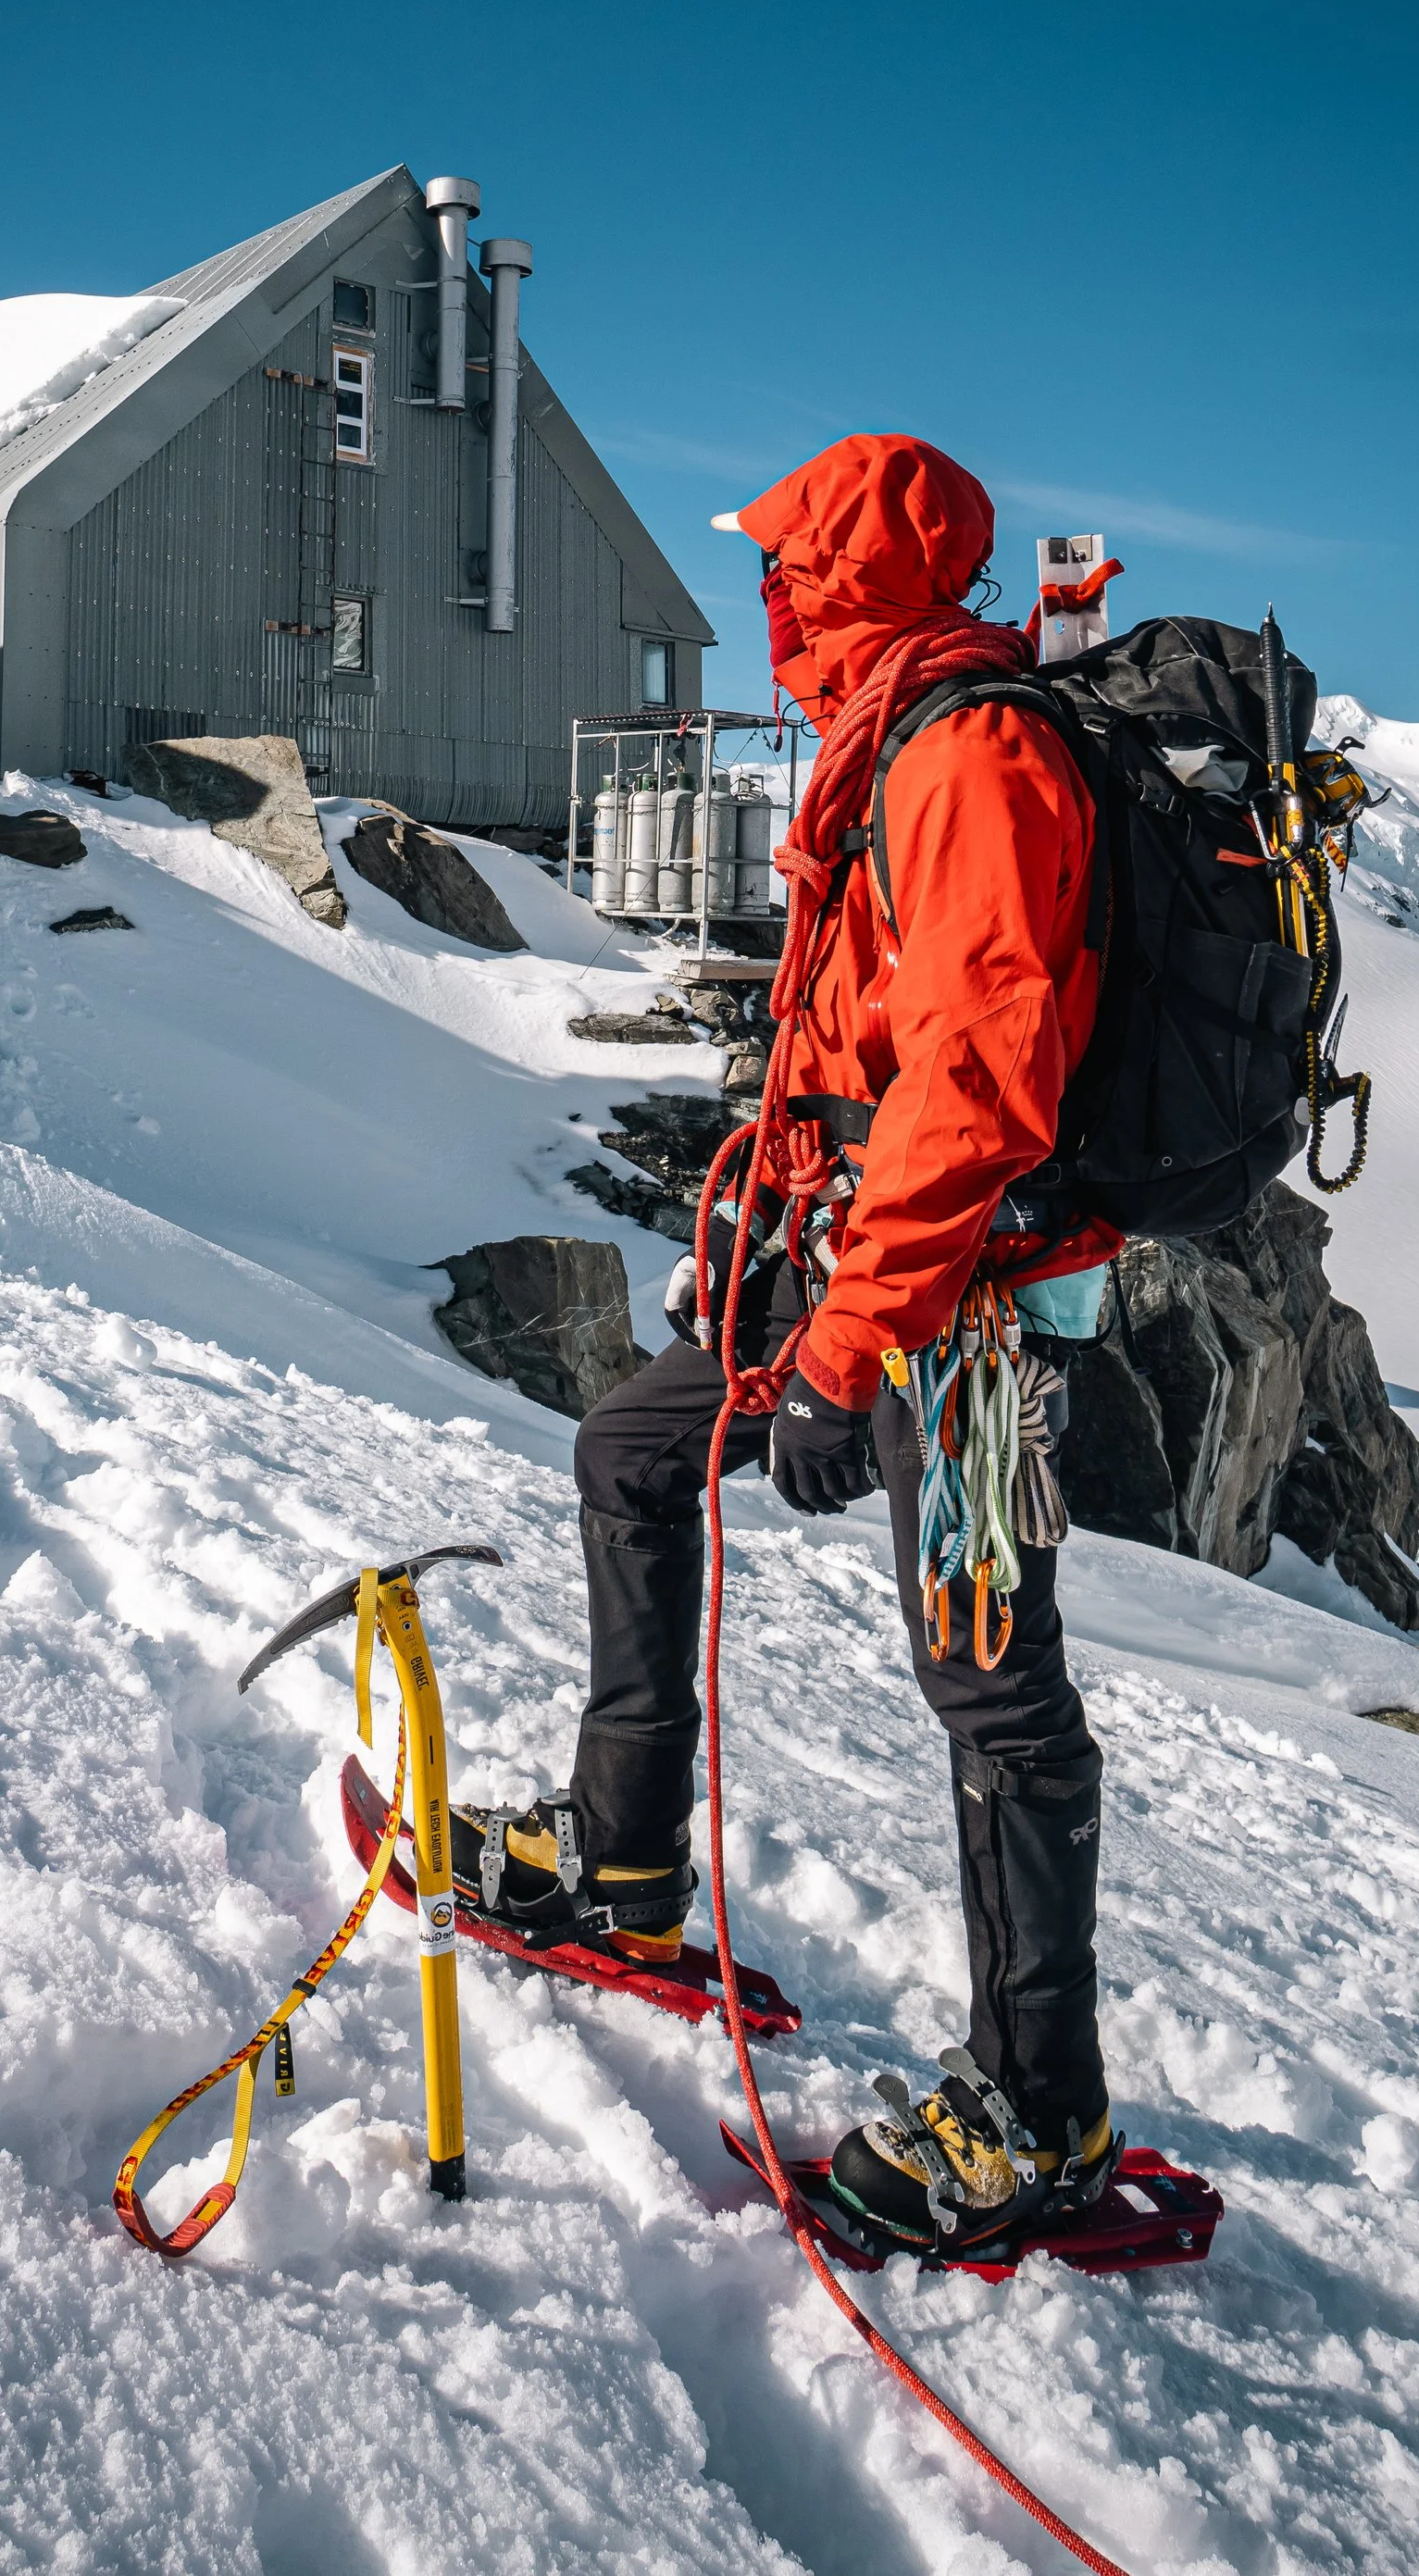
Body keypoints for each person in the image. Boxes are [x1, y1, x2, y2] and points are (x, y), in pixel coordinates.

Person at [457, 434, 1126, 2257]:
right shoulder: (884, 730)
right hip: (845, 1265)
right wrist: (751, 1260)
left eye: (785, 558)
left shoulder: (972, 748)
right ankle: (619, 1860)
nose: (761, 589)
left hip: (958, 1311)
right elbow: (848, 1048)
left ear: (851, 570)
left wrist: (844, 1341)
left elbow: (977, 1082)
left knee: (990, 1682)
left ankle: (1034, 2115)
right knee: (631, 1450)